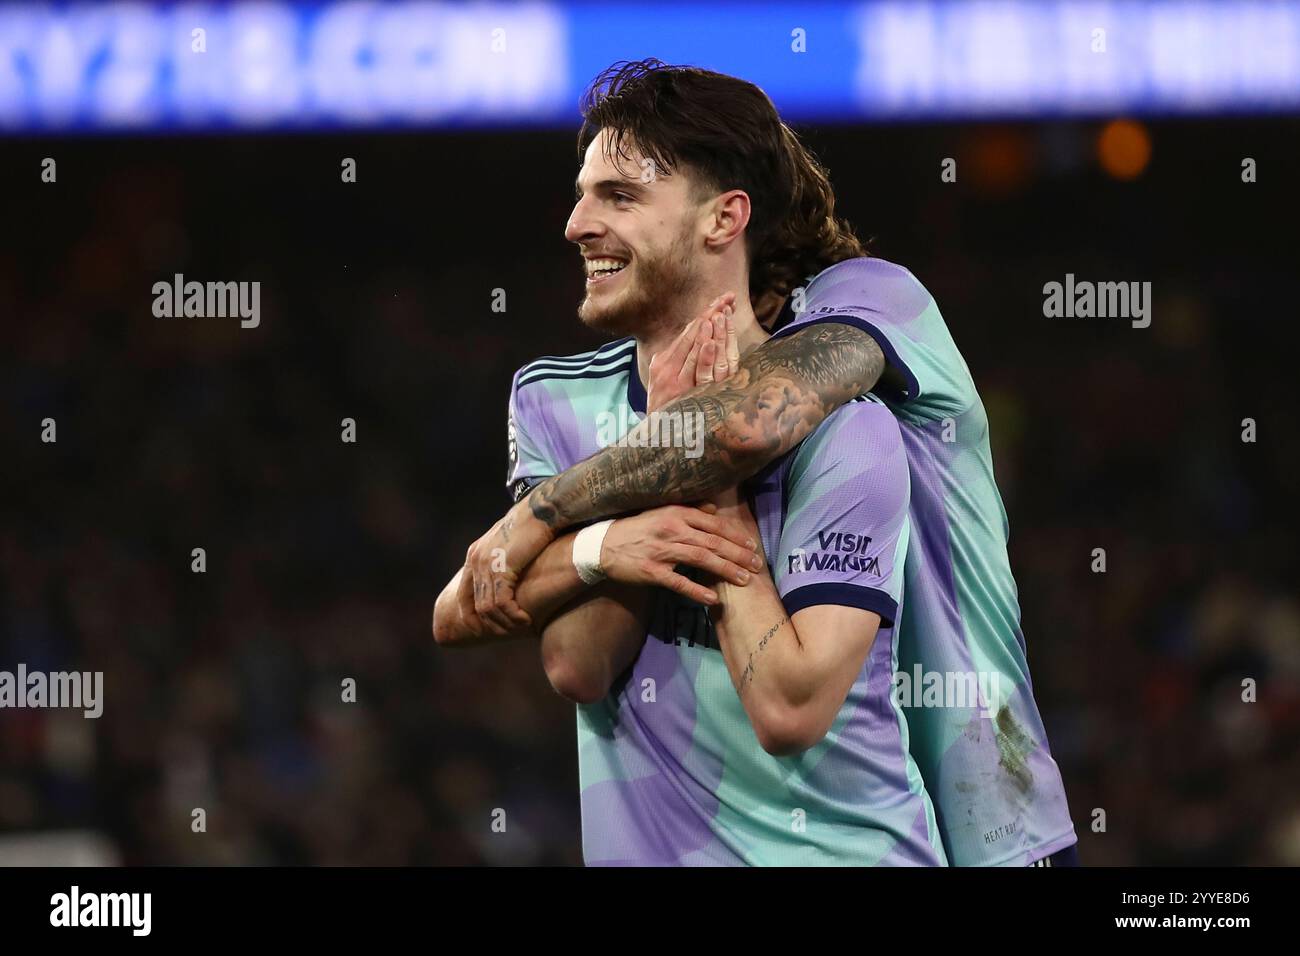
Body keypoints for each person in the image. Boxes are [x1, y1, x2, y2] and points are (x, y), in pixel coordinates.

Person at [448, 59, 1077, 866]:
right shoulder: (556, 398)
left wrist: (540, 517)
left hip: (989, 823)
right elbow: (571, 661)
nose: (574, 223)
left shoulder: (875, 304)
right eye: (583, 193)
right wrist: (607, 546)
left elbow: (738, 426)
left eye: (620, 194)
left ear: (726, 217)